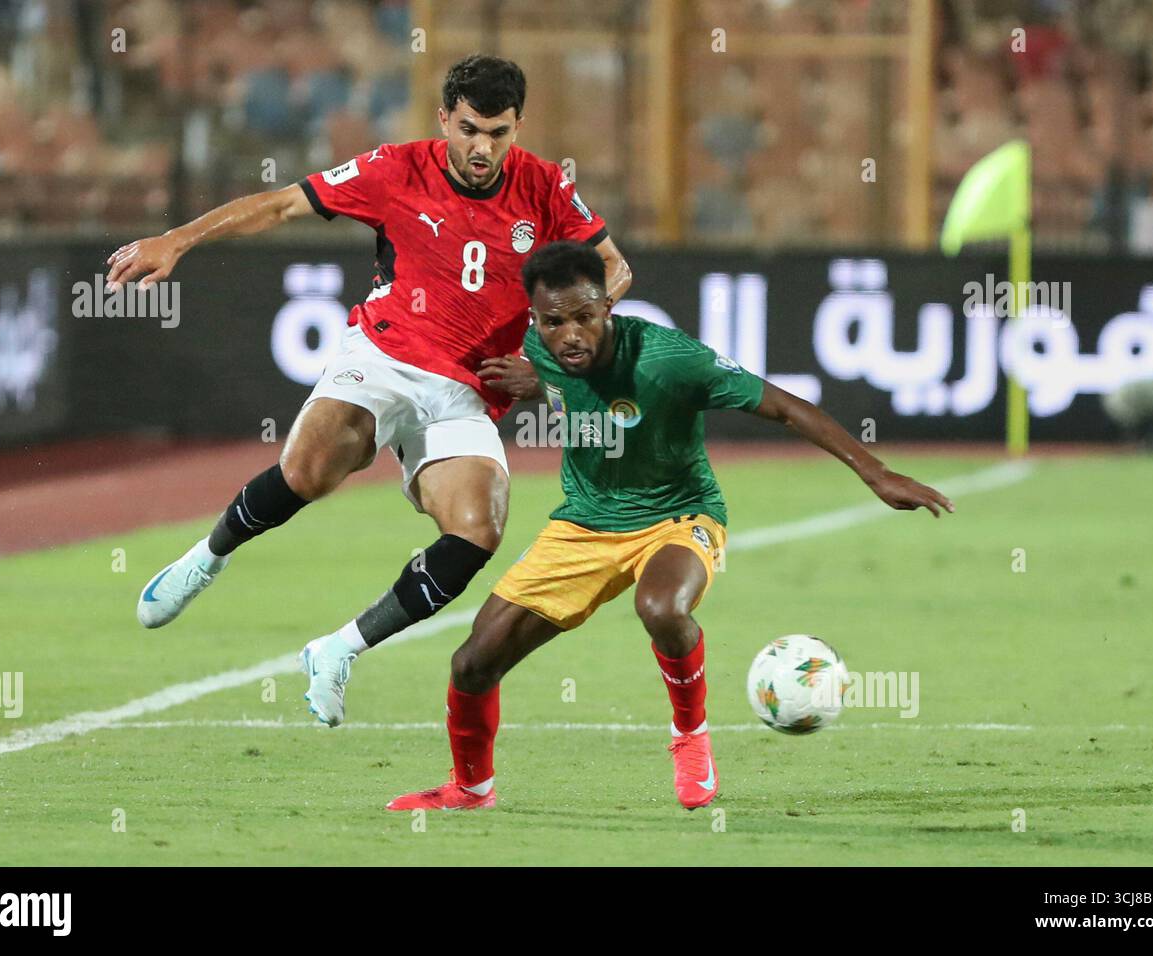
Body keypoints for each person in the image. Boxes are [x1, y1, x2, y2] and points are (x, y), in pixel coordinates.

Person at [105, 56, 630, 727]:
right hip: (384, 354)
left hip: (469, 388)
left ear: (517, 127)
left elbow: (614, 269)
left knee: (477, 531)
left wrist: (555, 348)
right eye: (470, 129)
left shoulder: (546, 187)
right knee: (312, 469)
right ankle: (205, 559)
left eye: (498, 133)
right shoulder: (394, 168)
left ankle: (337, 650)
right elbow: (282, 203)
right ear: (444, 119)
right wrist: (178, 239)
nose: (482, 147)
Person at [388, 241, 953, 811]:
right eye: (553, 322)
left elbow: (784, 406)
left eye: (585, 317)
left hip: (679, 515)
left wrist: (875, 472)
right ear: (535, 319)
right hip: (584, 524)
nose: (571, 335)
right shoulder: (538, 348)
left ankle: (691, 735)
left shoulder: (669, 359)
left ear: (608, 305)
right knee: (472, 663)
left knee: (660, 608)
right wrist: (538, 381)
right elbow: (544, 372)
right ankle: (470, 789)